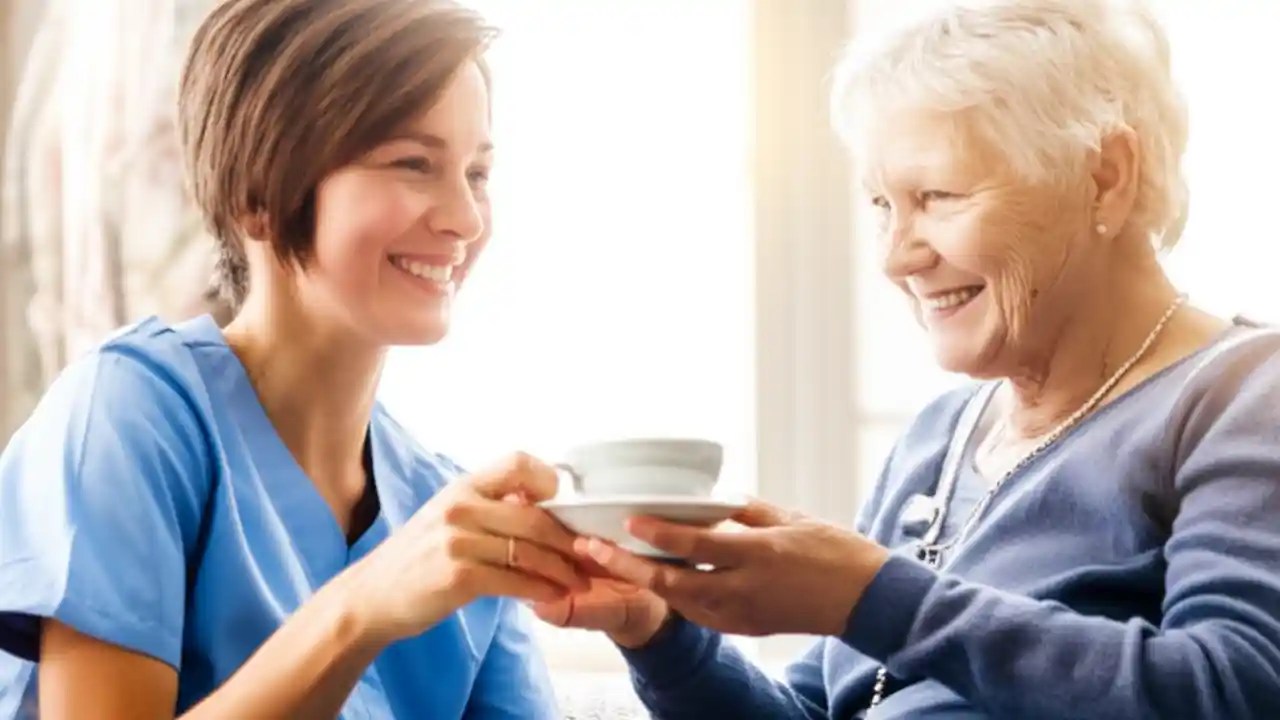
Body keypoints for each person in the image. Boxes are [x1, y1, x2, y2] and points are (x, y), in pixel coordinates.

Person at [534, 1, 1280, 717]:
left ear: (1104, 176)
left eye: (938, 195)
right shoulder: (943, 435)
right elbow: (830, 708)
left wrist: (869, 594)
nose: (896, 257)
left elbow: (1234, 690)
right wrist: (661, 635)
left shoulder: (1245, 397)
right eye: (882, 205)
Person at [0, 1, 585, 717]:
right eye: (414, 163)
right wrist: (362, 608)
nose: (465, 219)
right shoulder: (128, 414)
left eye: (478, 173)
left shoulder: (449, 516)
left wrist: (657, 632)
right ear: (258, 197)